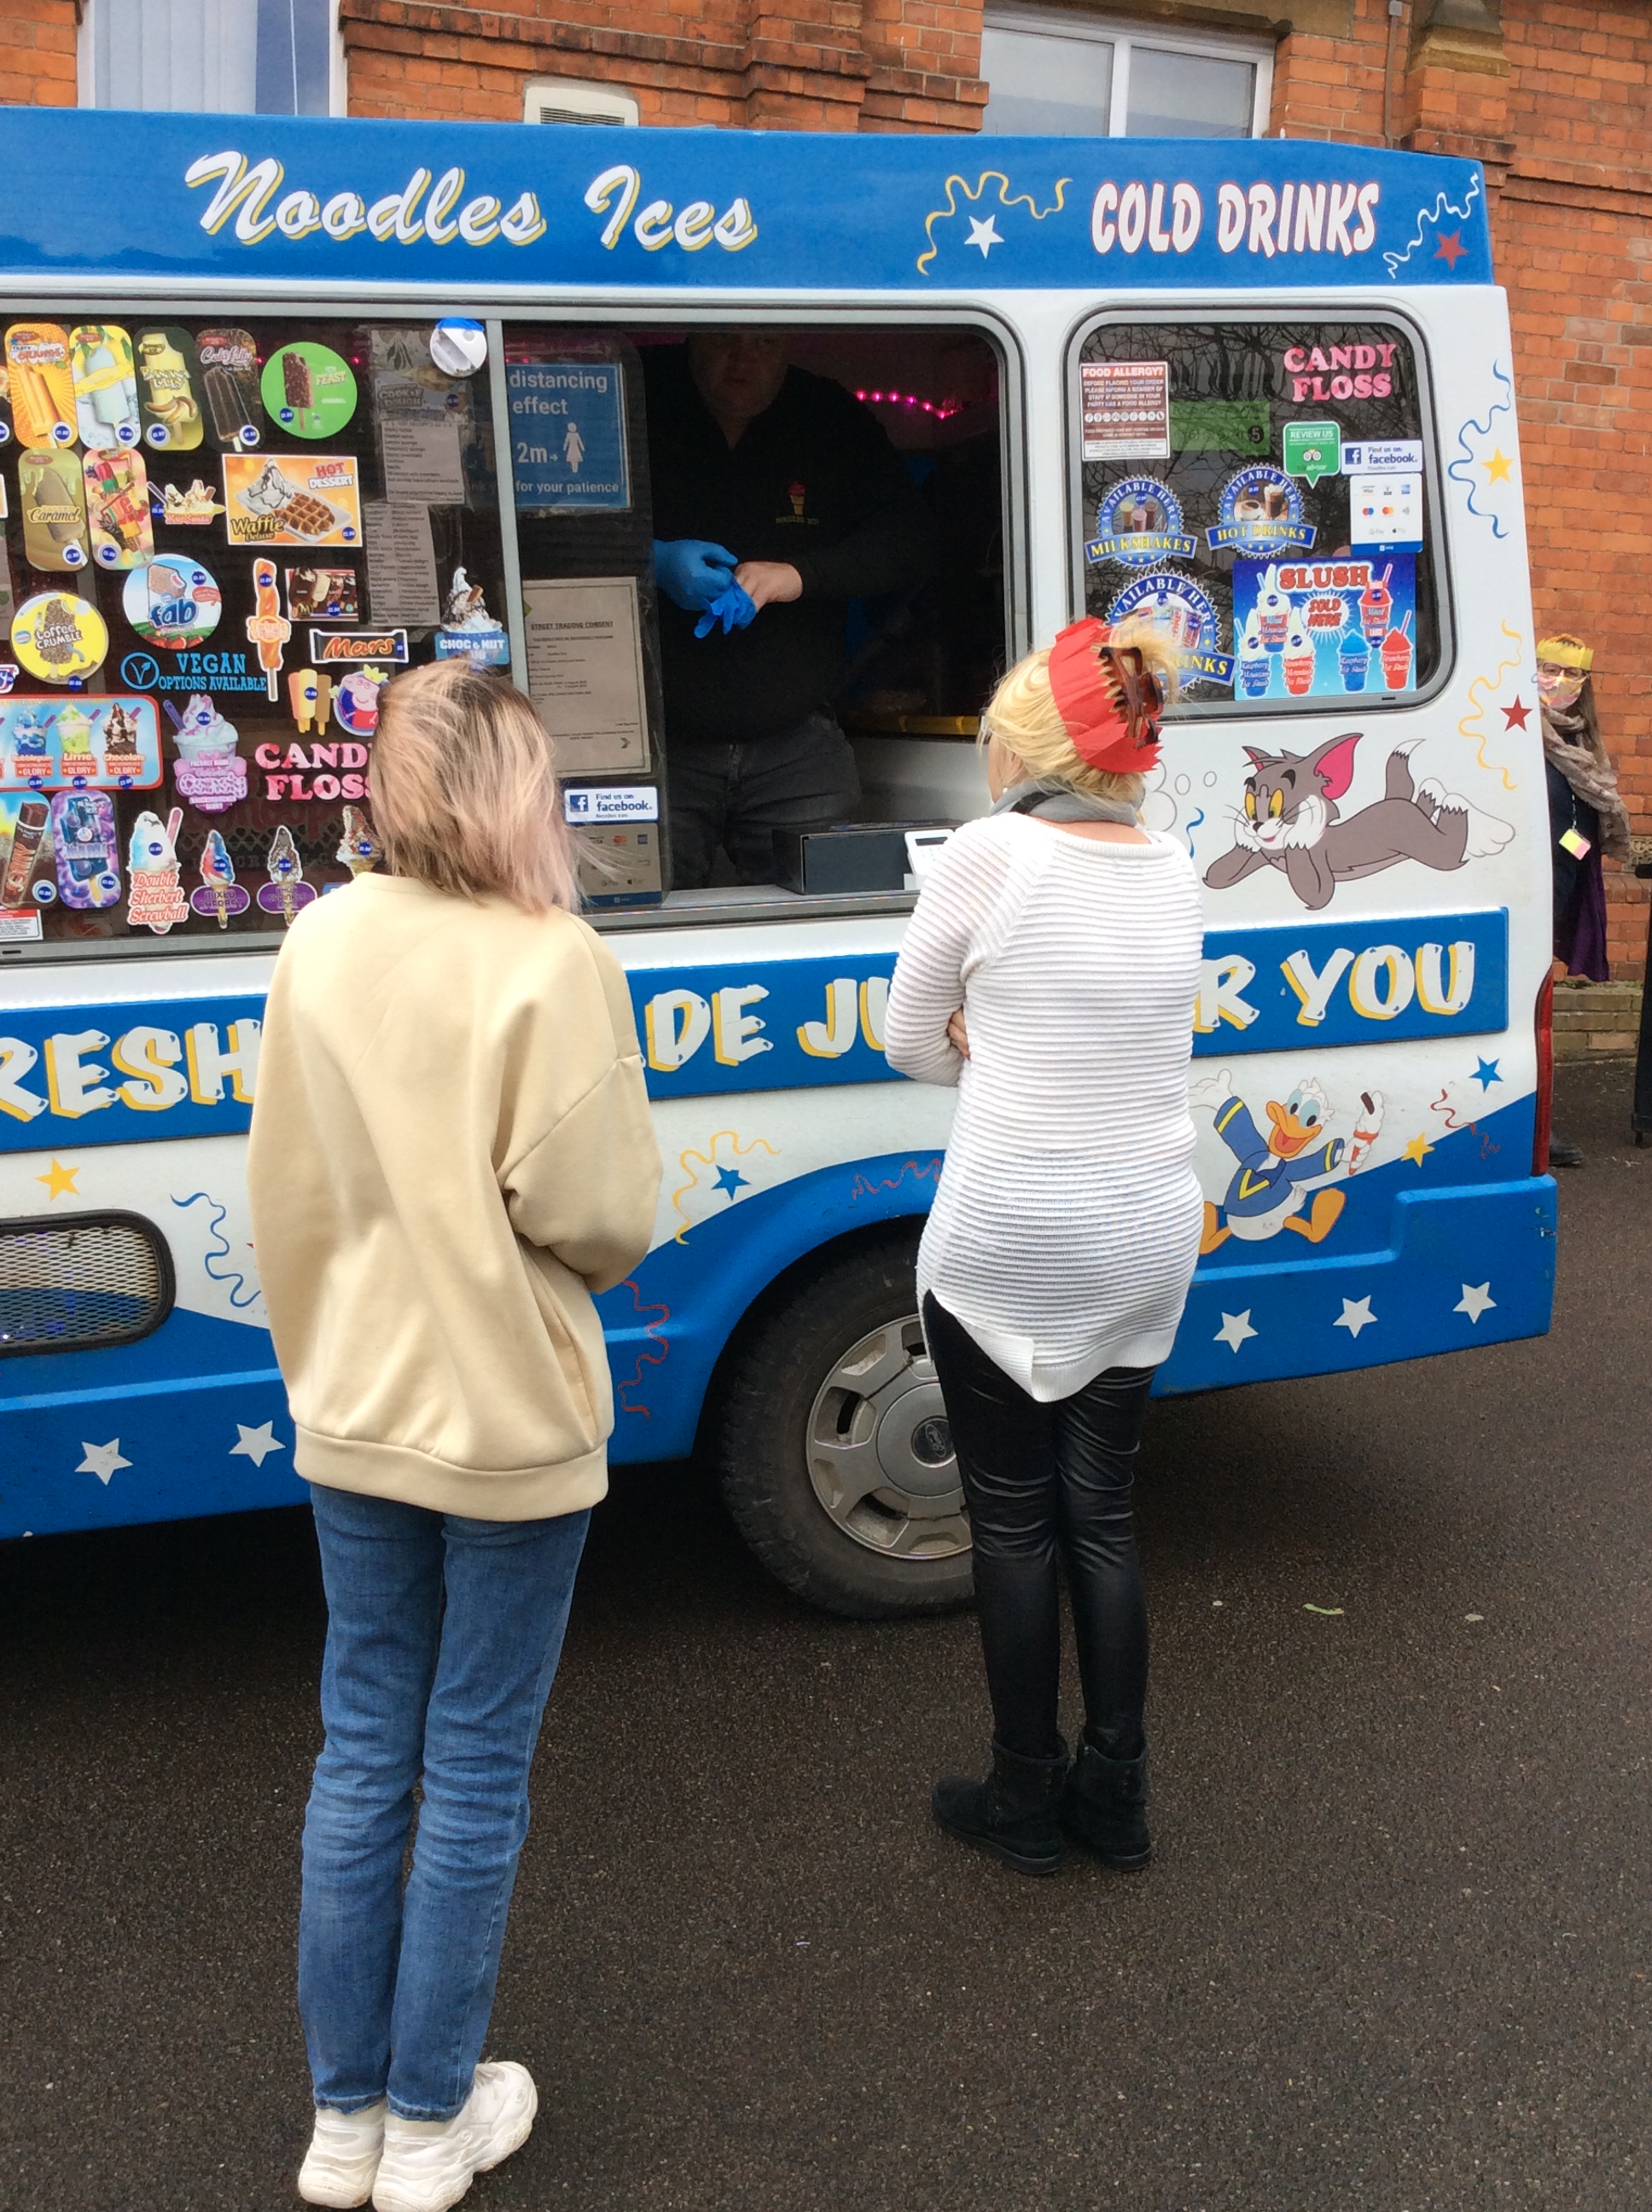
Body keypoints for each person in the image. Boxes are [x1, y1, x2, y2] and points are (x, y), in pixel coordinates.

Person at [247, 662, 662, 2212]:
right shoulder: (553, 960)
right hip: (506, 1415)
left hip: (353, 1399)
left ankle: (342, 2120)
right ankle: (433, 2121)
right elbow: (602, 1215)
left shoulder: (319, 934)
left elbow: (284, 1179)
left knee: (361, 1749)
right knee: (475, 1762)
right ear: (510, 789)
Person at [883, 620, 1201, 1877]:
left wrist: (981, 1040)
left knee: (1013, 1526)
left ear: (1018, 744)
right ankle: (1115, 1795)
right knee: (1105, 1516)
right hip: (1144, 1226)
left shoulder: (987, 852)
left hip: (1012, 1228)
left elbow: (908, 1040)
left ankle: (1025, 1793)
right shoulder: (1173, 866)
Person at [643, 329, 936, 888]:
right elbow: (550, 529)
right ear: (691, 336)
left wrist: (798, 577)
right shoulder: (639, 391)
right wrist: (652, 562)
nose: (744, 359)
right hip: (658, 747)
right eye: (726, 341)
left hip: (797, 748)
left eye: (765, 344)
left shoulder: (827, 415)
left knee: (830, 927)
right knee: (636, 929)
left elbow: (910, 543)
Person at [1538, 632, 1632, 1168]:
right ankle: (1532, 1131)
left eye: (1569, 674)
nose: (1557, 682)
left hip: (1563, 890)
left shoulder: (1580, 748)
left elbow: (1582, 827)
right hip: (1529, 890)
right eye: (1547, 670)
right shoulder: (1519, 734)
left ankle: (1538, 1123)